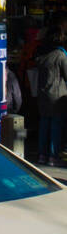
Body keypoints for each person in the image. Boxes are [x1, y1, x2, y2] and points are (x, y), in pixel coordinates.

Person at [35, 21, 67, 167]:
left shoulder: (42, 56)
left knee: (44, 125)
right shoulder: (60, 55)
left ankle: (42, 155)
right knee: (56, 126)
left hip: (43, 95)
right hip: (57, 97)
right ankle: (53, 156)